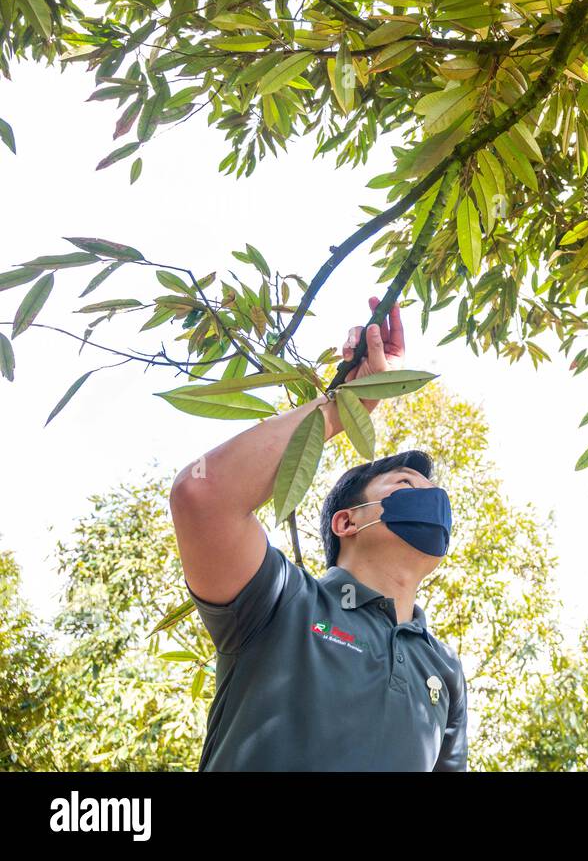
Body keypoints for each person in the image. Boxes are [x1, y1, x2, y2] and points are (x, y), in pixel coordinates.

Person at [169, 297, 467, 771]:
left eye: (436, 494)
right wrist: (343, 406)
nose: (431, 502)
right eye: (407, 486)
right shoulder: (281, 600)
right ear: (347, 521)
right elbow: (202, 496)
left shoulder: (445, 671)